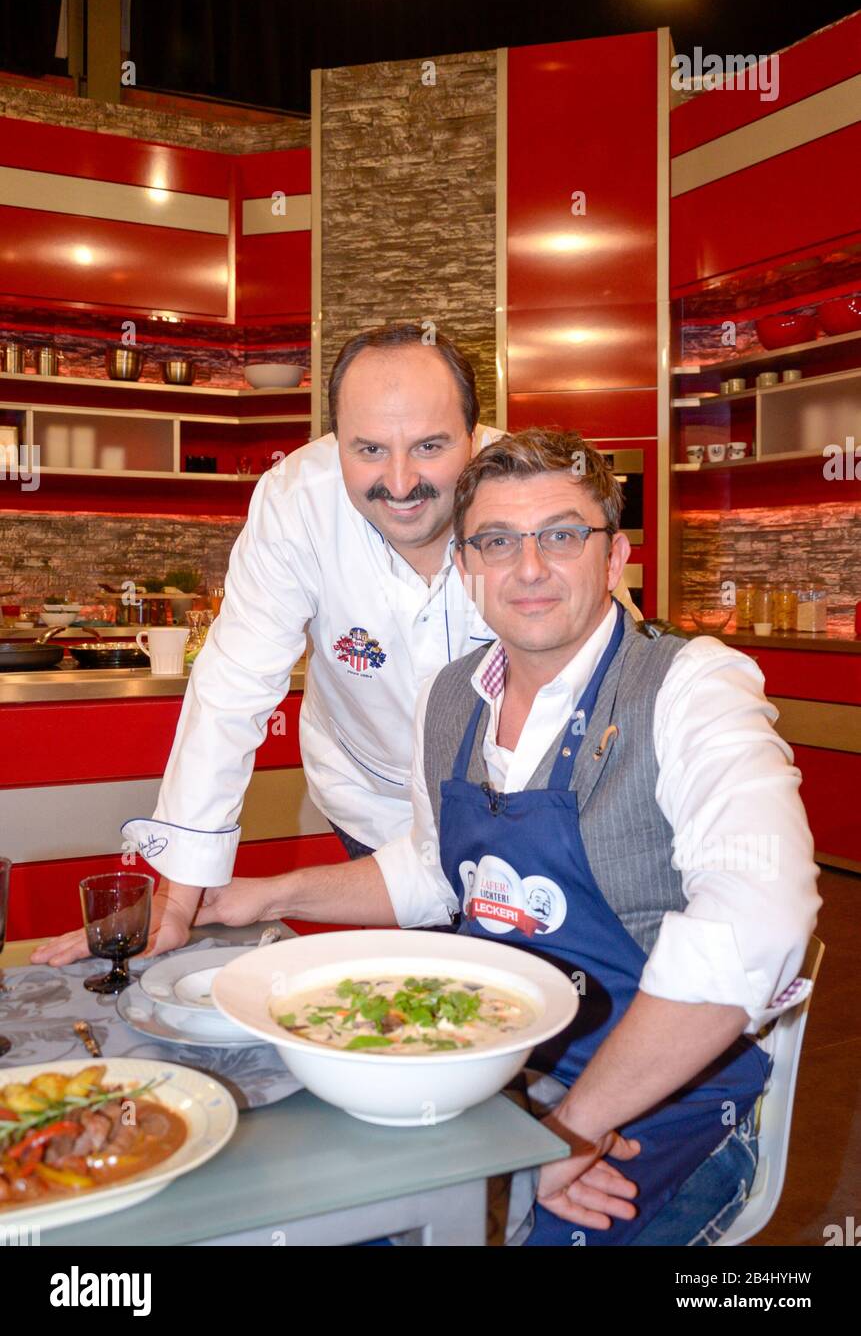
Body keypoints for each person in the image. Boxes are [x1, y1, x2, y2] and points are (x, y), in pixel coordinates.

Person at [188, 428, 820, 1245]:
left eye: (560, 535)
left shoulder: (693, 685)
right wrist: (268, 895)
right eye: (496, 541)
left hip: (666, 1098)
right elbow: (435, 872)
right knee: (321, 1206)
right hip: (491, 1069)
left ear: (614, 555)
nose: (527, 569)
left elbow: (756, 925)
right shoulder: (449, 697)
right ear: (464, 567)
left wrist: (570, 1131)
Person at [32, 324, 638, 969]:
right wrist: (182, 894)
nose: (400, 483)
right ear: (334, 439)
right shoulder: (298, 502)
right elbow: (233, 688)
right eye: (369, 449)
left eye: (430, 446)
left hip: (525, 795)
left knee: (542, 977)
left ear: (474, 434)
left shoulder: (524, 501)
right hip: (371, 798)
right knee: (427, 978)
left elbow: (614, 667)